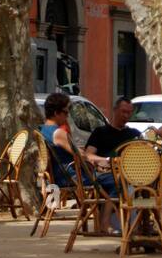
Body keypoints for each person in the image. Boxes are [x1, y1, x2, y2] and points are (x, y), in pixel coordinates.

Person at [39, 91, 119, 233]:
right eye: (66, 111)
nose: (68, 115)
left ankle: (101, 221)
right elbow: (81, 155)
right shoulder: (58, 133)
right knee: (117, 181)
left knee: (106, 180)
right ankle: (104, 224)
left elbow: (72, 151)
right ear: (57, 112)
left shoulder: (43, 129)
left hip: (60, 175)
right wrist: (104, 160)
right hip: (72, 176)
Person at [84, 97, 140, 162]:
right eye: (123, 111)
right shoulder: (100, 132)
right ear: (115, 110)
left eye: (129, 112)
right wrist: (109, 161)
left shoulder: (135, 134)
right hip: (106, 170)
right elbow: (88, 155)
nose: (126, 116)